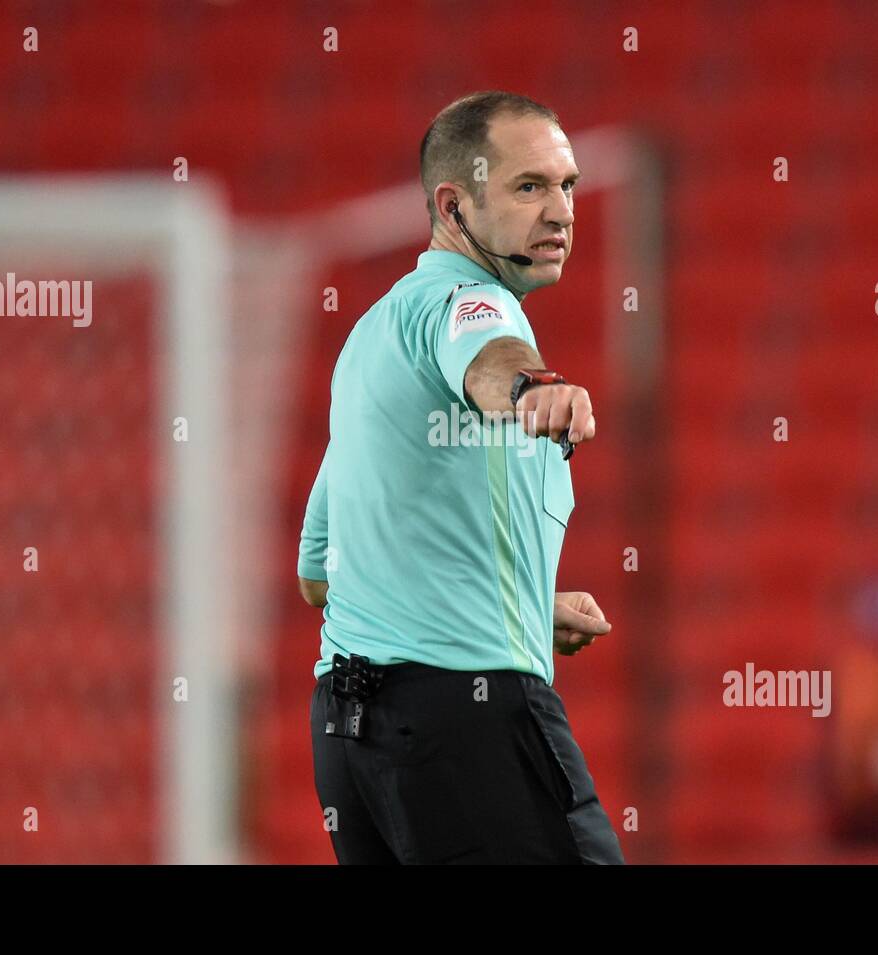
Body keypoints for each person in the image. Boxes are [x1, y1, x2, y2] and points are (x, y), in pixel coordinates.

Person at [298, 90, 624, 864]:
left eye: (567, 185)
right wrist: (532, 389)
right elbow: (489, 363)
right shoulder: (473, 302)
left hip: (352, 742)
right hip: (464, 721)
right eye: (528, 187)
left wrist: (518, 606)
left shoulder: (368, 339)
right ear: (454, 203)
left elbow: (321, 572)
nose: (561, 211)